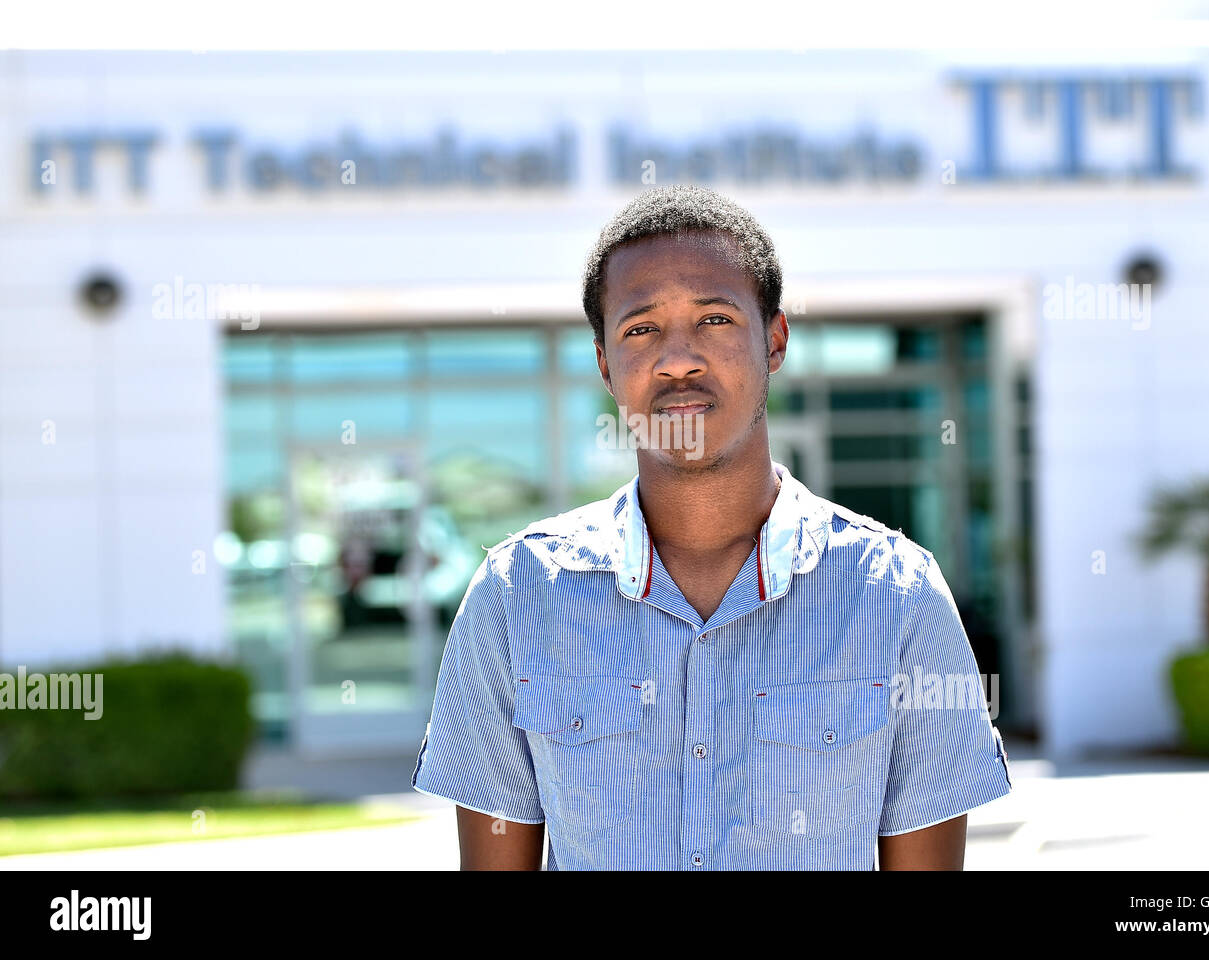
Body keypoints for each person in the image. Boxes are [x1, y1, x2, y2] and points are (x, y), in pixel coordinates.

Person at [411, 184, 1012, 870]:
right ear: (606, 363)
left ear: (775, 339)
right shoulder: (517, 597)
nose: (678, 359)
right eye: (640, 329)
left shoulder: (897, 595)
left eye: (715, 320)